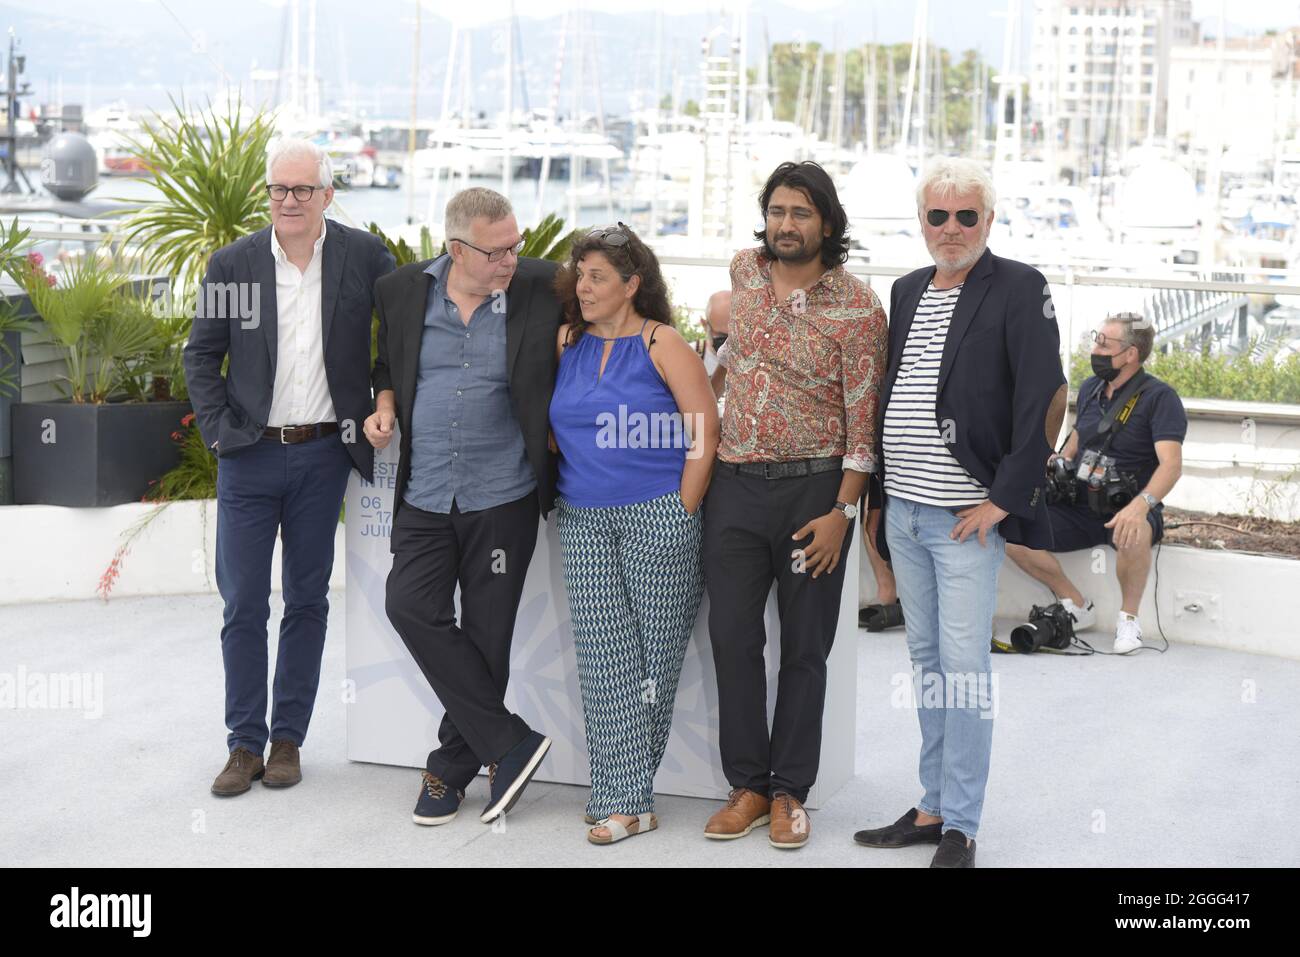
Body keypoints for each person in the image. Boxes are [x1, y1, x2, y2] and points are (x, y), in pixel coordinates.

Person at [852, 157, 1066, 867]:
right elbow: (894, 390)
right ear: (921, 223)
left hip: (964, 519)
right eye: (937, 216)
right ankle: (932, 803)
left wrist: (1004, 497)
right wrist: (880, 498)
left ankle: (963, 825)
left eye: (965, 216)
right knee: (926, 661)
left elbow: (1046, 397)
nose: (951, 229)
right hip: (906, 513)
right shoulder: (908, 287)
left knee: (965, 668)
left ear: (989, 220)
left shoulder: (1018, 287)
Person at [185, 137, 396, 797]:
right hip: (248, 458)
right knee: (243, 602)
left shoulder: (364, 256)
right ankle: (243, 743)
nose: (290, 200)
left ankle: (287, 741)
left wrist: (382, 399)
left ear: (328, 194)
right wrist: (221, 433)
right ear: (268, 195)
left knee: (306, 601)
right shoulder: (233, 264)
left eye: (304, 189)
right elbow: (201, 356)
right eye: (280, 189)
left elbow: (397, 339)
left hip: (322, 455)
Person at [702, 161, 887, 850]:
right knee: (733, 638)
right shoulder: (744, 272)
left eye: (801, 213)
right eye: (777, 210)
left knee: (806, 646)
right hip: (734, 485)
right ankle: (747, 784)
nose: (786, 223)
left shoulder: (860, 308)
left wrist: (842, 514)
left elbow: (862, 427)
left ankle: (789, 792)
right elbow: (725, 354)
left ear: (827, 224)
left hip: (814, 492)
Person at [366, 188, 561, 827]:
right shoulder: (400, 290)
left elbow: (607, 309)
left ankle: (448, 773)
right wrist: (386, 404)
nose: (511, 259)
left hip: (502, 495)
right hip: (424, 492)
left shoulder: (540, 287)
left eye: (515, 244)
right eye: (497, 250)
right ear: (456, 249)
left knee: (487, 638)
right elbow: (384, 362)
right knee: (408, 605)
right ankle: (508, 743)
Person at [548, 223, 719, 844]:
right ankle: (625, 798)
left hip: (658, 515)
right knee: (603, 662)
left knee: (654, 660)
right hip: (583, 517)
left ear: (632, 284)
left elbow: (705, 429)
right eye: (579, 275)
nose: (583, 286)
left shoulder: (662, 341)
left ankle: (622, 796)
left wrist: (683, 507)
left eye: (598, 276)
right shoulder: (566, 341)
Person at [1006, 312, 1186, 654]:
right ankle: (1074, 602)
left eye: (1104, 342)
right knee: (1013, 528)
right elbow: (1076, 439)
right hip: (1080, 504)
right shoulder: (1090, 389)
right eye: (1096, 339)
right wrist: (1056, 461)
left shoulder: (1160, 398)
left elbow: (1171, 466)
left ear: (1130, 354)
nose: (1095, 348)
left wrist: (1140, 507)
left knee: (1135, 531)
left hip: (1128, 505)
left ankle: (1129, 621)